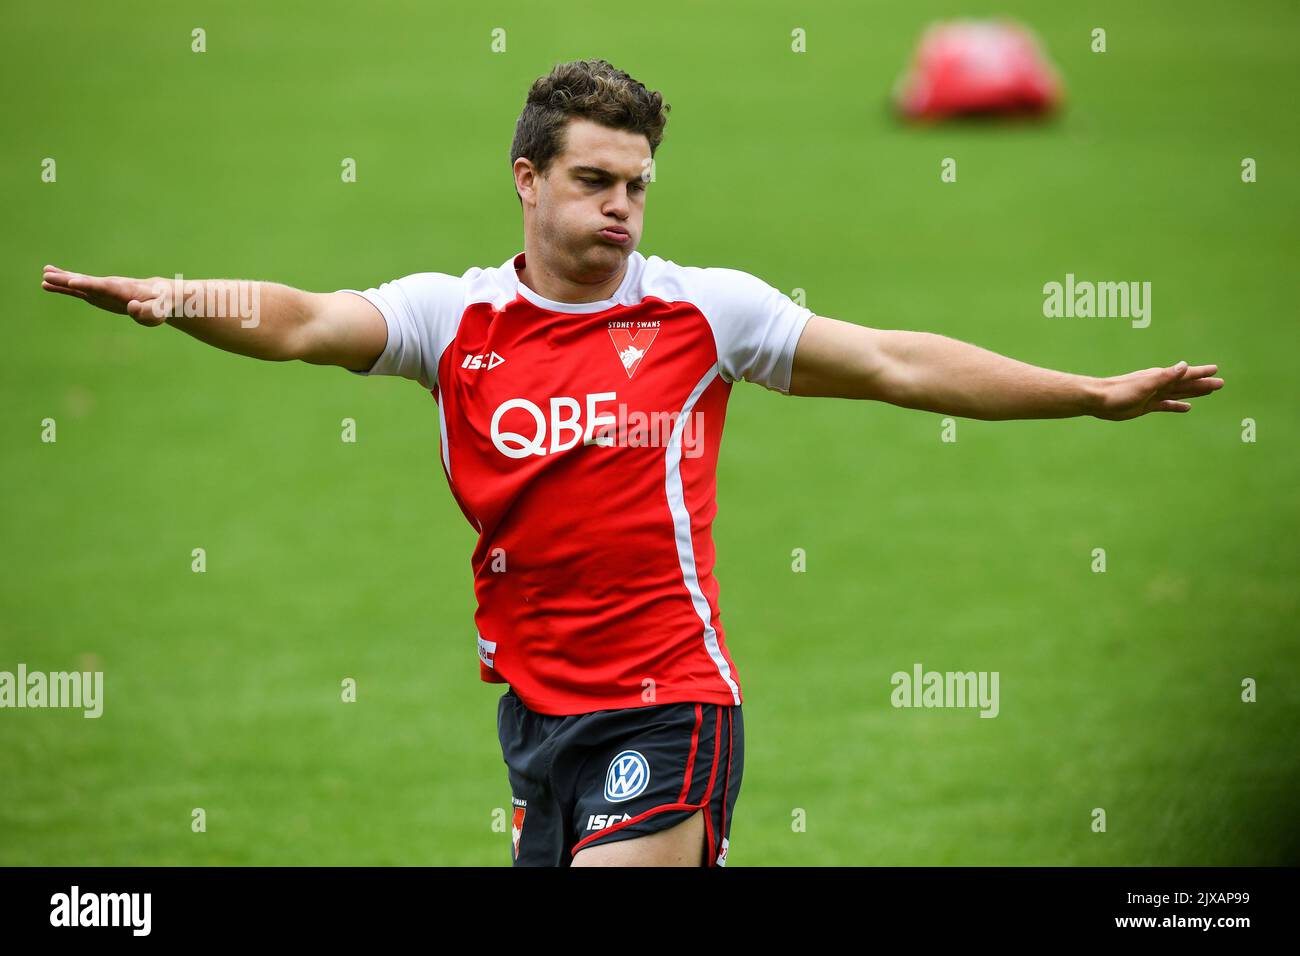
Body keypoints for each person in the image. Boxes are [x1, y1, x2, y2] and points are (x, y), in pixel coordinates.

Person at [40, 58, 1224, 868]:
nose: (622, 208)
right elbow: (300, 321)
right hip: (536, 710)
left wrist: (1087, 392)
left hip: (669, 701)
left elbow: (898, 363)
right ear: (527, 179)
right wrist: (170, 296)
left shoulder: (705, 313)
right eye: (594, 181)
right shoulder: (452, 321)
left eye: (638, 186)